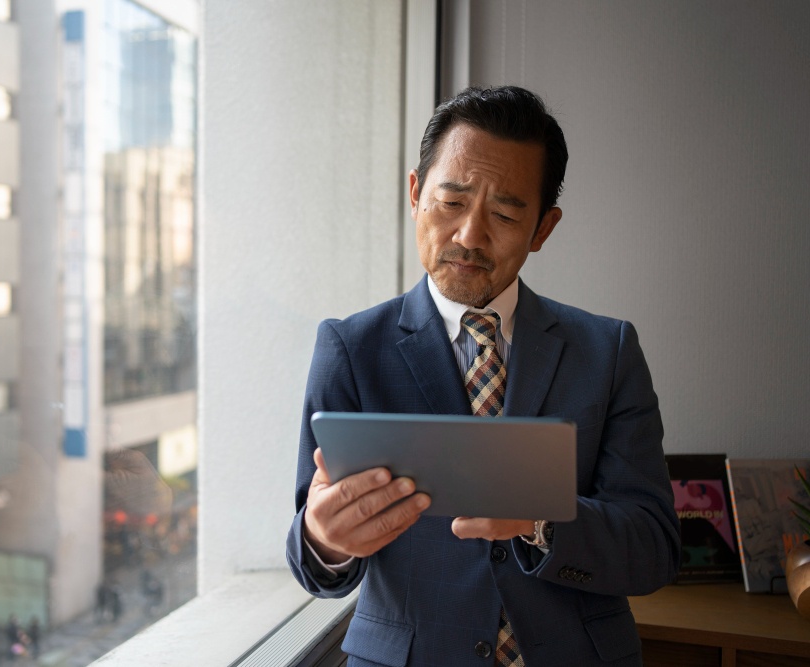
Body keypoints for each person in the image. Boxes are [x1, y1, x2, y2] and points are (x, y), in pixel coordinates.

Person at [286, 86, 681, 666]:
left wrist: (539, 518)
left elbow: (653, 549)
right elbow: (312, 562)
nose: (470, 235)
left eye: (503, 213)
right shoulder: (350, 348)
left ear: (543, 229)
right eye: (451, 202)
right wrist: (326, 540)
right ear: (416, 194)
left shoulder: (607, 351)